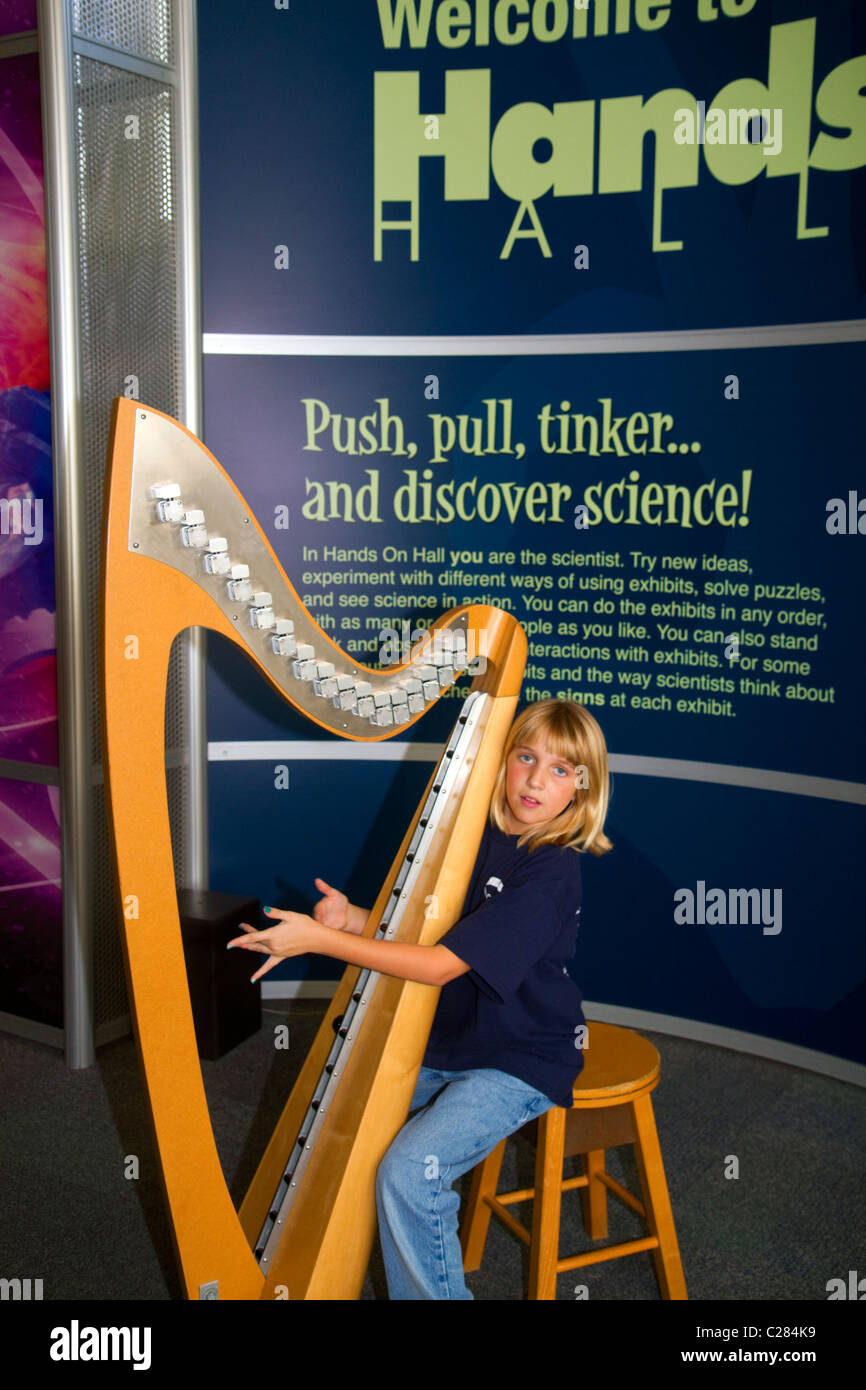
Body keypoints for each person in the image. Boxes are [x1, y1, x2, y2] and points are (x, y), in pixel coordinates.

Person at [227, 698, 613, 1299]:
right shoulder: (472, 836)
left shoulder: (551, 873)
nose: (537, 779)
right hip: (446, 1042)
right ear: (502, 761)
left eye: (561, 770)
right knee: (332, 1113)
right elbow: (424, 929)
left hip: (518, 1058)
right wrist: (350, 919)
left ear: (582, 792)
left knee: (410, 1172)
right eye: (526, 757)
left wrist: (324, 942)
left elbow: (436, 966)